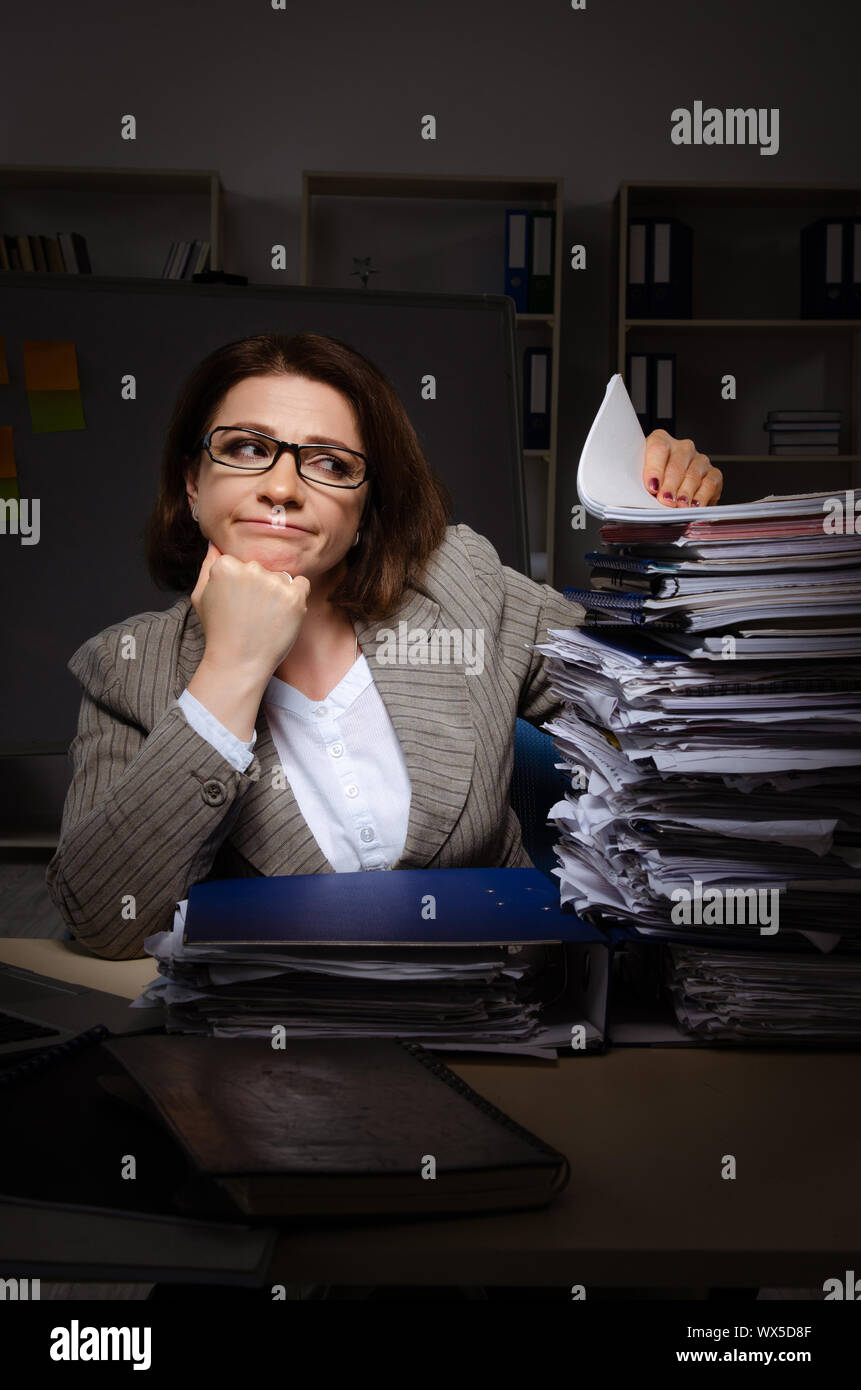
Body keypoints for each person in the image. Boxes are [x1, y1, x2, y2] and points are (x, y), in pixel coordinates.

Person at [45, 332, 722, 959]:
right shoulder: (125, 669)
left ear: (365, 507)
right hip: (276, 1048)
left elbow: (680, 718)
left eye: (329, 462)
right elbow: (109, 920)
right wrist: (232, 668)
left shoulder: (464, 586)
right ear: (193, 484)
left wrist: (669, 544)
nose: (281, 488)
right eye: (247, 448)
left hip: (502, 1014)